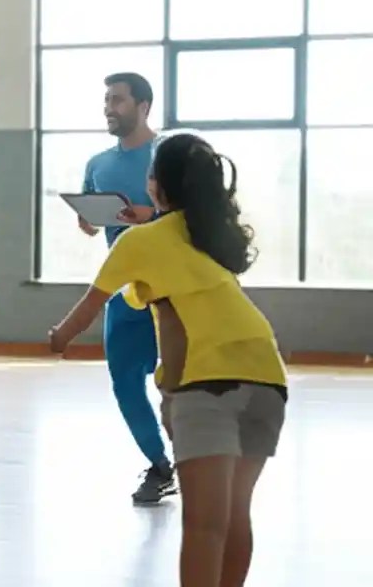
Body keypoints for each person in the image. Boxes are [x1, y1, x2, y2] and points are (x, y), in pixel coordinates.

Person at [50, 131, 286, 587]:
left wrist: (58, 338)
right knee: (234, 514)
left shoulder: (139, 241)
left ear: (156, 186)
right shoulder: (211, 237)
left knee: (203, 524)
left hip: (208, 380)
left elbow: (90, 306)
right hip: (266, 374)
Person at [78, 72, 176, 504]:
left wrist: (150, 215)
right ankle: (160, 466)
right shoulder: (98, 164)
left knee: (179, 383)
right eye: (106, 100)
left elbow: (199, 213)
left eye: (117, 100)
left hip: (175, 290)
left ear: (143, 106)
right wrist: (87, 218)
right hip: (126, 291)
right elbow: (92, 215)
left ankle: (199, 462)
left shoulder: (170, 155)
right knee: (125, 382)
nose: (109, 108)